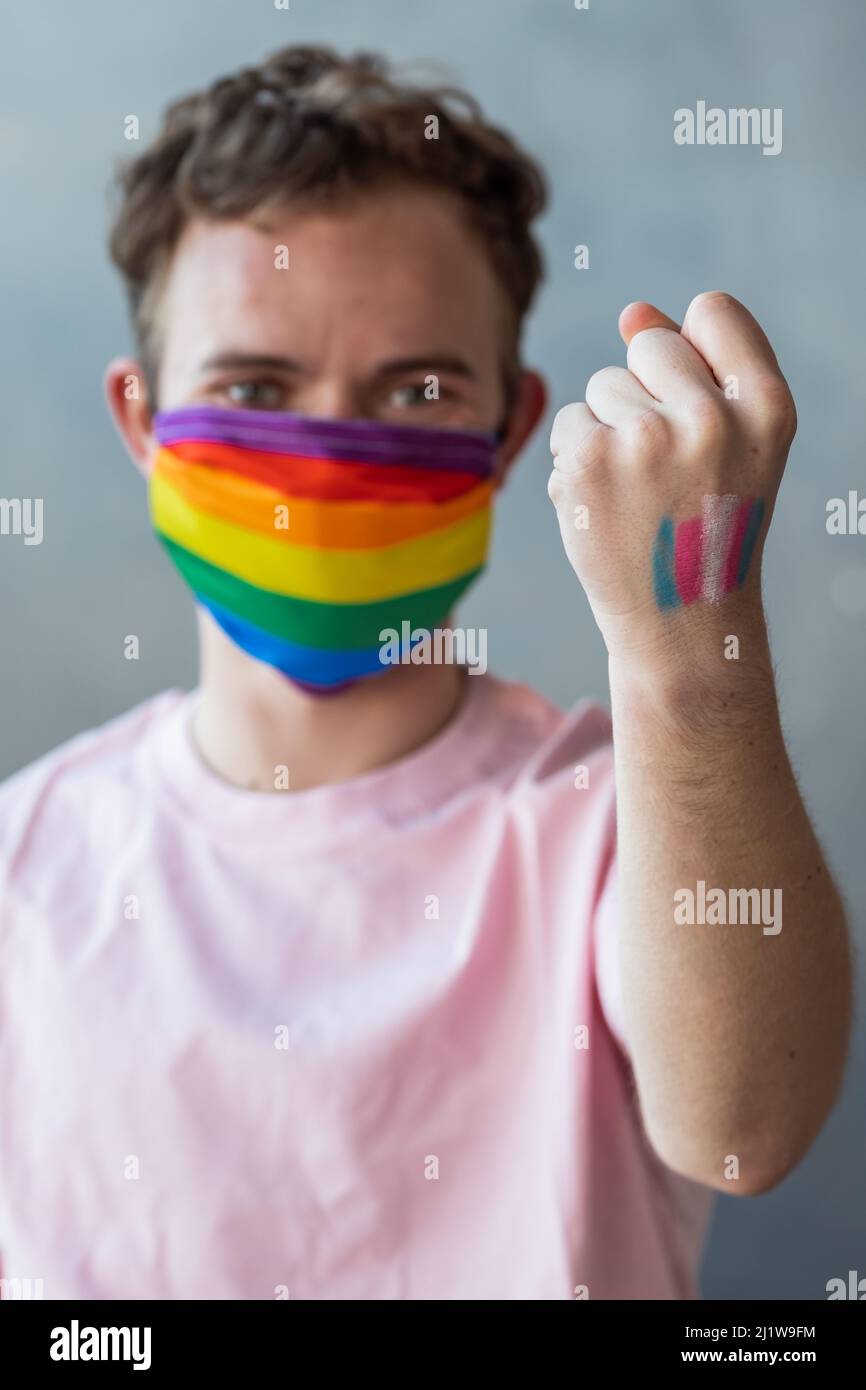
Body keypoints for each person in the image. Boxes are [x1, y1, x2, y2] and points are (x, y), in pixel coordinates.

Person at [0, 45, 851, 1301]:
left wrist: (691, 625)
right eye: (254, 387)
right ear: (144, 424)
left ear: (511, 429)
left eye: (414, 388)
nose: (333, 460)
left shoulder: (634, 822)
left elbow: (743, 1130)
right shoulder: (22, 868)